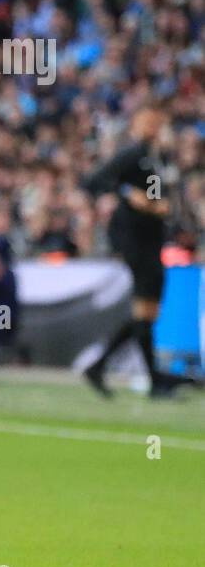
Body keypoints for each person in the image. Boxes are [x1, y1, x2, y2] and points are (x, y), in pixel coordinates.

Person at [81, 108, 194, 398]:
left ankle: (104, 367)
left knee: (147, 314)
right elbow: (95, 181)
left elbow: (162, 196)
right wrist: (130, 196)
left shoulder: (160, 159)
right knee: (144, 310)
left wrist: (166, 209)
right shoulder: (133, 154)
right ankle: (151, 379)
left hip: (154, 239)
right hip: (136, 241)